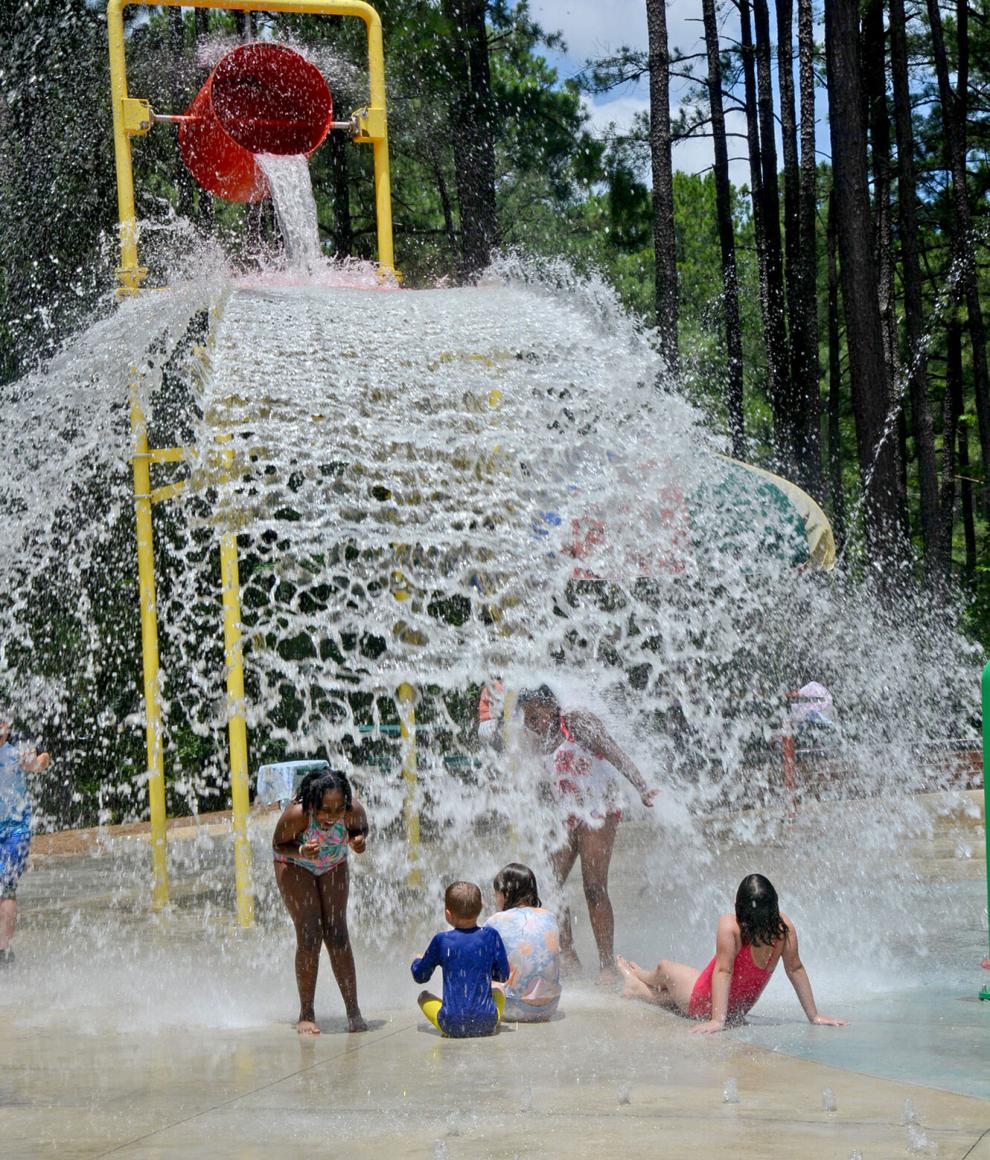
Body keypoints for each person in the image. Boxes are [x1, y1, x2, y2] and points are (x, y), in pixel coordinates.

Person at [517, 684, 658, 980]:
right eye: (527, 718)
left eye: (535, 716)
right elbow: (543, 785)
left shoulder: (576, 721)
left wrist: (642, 787)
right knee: (549, 882)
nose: (532, 724)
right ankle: (568, 954)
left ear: (551, 707)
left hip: (598, 810)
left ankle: (607, 964)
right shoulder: (536, 740)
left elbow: (614, 752)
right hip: (567, 813)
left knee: (594, 887)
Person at [615, 873, 847, 1033]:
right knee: (677, 991)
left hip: (707, 1004)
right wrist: (814, 1015)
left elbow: (724, 972)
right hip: (736, 1009)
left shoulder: (731, 926)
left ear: (739, 905)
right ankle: (637, 989)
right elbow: (795, 969)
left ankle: (640, 976)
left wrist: (717, 1020)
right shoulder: (784, 928)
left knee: (665, 967)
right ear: (774, 905)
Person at [272, 767, 369, 1034]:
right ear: (313, 804)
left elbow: (361, 829)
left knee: (337, 935)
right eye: (325, 810)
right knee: (310, 935)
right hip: (295, 864)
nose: (332, 816)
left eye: (338, 809)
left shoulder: (352, 810)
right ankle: (306, 1013)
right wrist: (302, 850)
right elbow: (278, 844)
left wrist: (359, 840)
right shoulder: (298, 814)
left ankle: (354, 1012)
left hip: (333, 863)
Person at [411, 880, 510, 1038]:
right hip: (487, 1023)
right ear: (481, 907)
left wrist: (417, 961)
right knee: (498, 988)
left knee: (423, 996)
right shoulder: (491, 936)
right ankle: (486, 1017)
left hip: (451, 1026)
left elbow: (420, 976)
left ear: (448, 914)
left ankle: (454, 1018)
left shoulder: (441, 940)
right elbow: (503, 976)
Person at [0, 717, 50, 967]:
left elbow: (41, 760)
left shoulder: (17, 747)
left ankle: (2, 950)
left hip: (15, 830)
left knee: (6, 888)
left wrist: (40, 762)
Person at [485, 862, 561, 1022]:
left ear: (506, 893)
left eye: (497, 894)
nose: (496, 899)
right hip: (550, 1006)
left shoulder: (495, 921)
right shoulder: (550, 917)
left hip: (511, 1007)